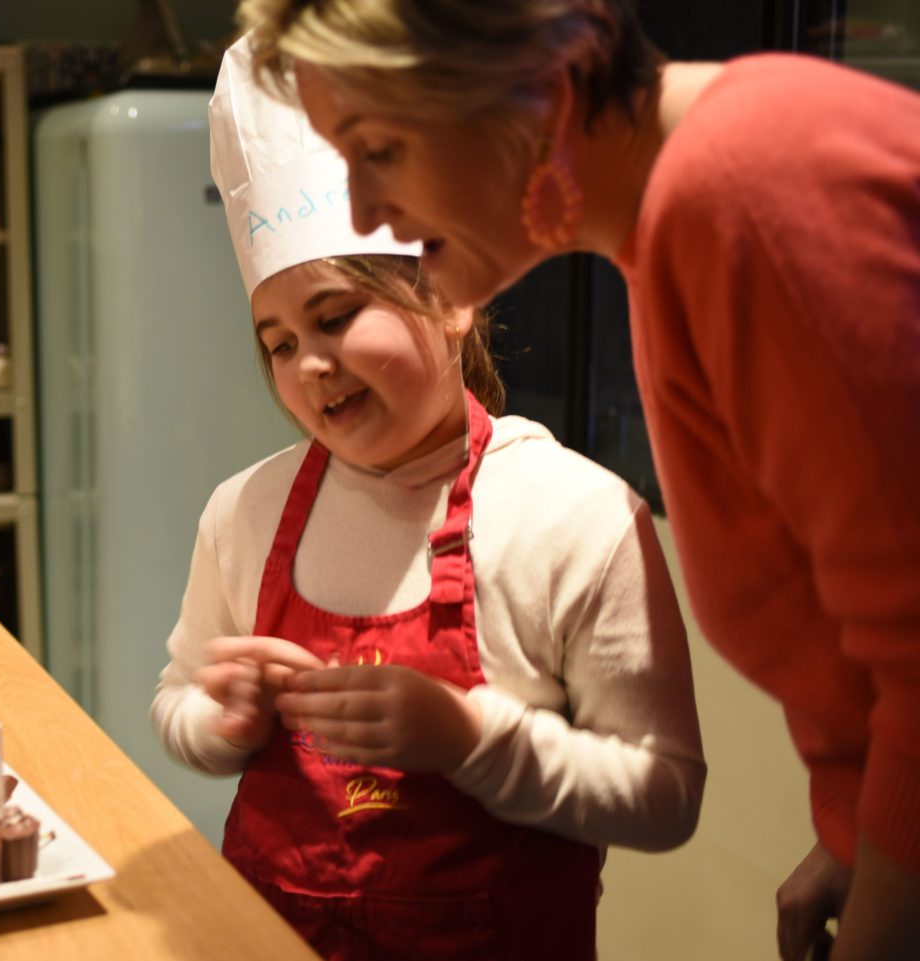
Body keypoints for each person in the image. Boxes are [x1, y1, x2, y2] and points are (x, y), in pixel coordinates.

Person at [232, 3, 920, 960]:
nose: (366, 210)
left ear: (529, 88)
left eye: (378, 148)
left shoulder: (748, 192)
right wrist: (860, 838)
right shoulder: (678, 229)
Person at [150, 37, 705, 961]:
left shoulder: (574, 518)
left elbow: (664, 794)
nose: (309, 365)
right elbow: (175, 695)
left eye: (335, 316)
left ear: (451, 294)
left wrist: (471, 738)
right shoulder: (241, 514)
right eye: (279, 343)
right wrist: (217, 718)